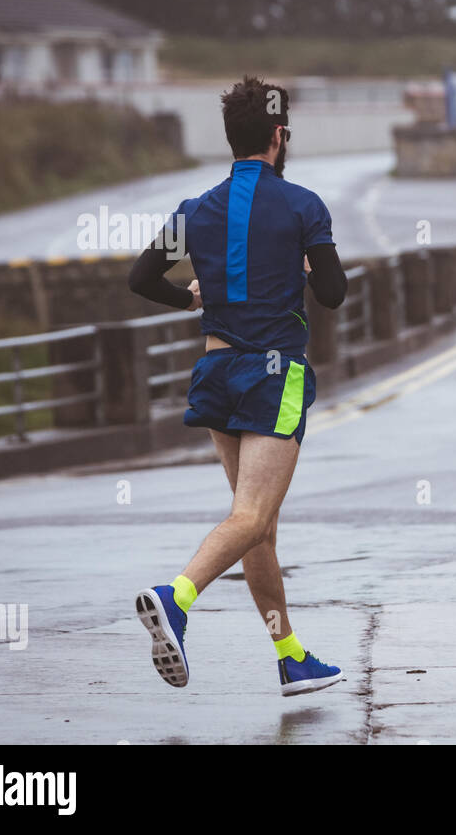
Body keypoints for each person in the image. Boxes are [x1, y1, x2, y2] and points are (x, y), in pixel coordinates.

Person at [127, 76, 348, 696]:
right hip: (273, 373)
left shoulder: (195, 210)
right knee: (251, 517)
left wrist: (187, 295)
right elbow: (332, 294)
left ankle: (291, 656)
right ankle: (176, 598)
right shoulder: (305, 205)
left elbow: (141, 277)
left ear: (234, 138)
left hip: (216, 371)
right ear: (280, 136)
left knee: (258, 525)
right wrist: (306, 259)